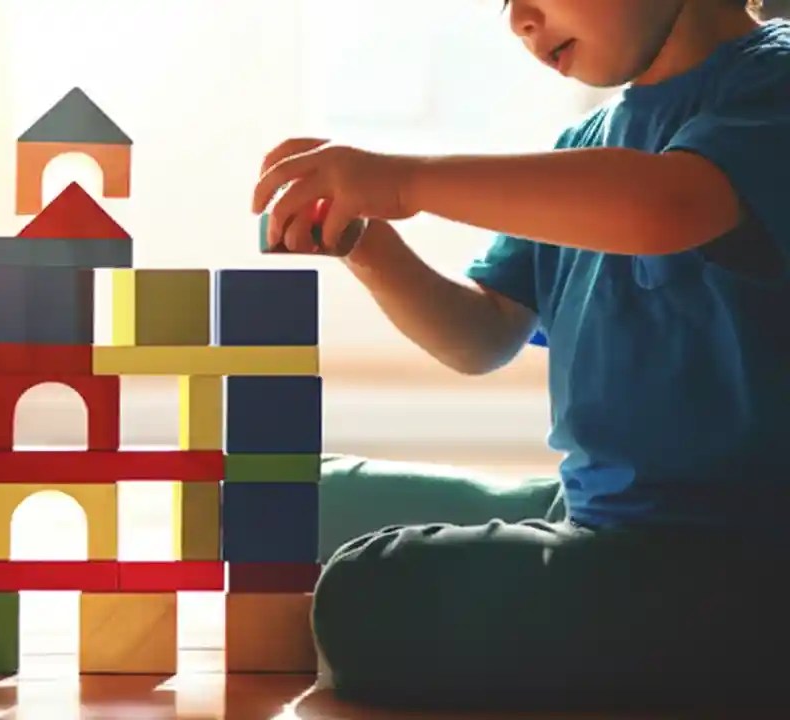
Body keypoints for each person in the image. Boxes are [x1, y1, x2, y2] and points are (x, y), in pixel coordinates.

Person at [253, 0, 790, 712]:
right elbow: (480, 335)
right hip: (600, 512)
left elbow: (666, 208)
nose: (520, 19)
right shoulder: (586, 145)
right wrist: (365, 240)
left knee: (367, 591)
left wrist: (405, 181)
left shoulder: (773, 84)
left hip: (735, 561)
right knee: (293, 496)